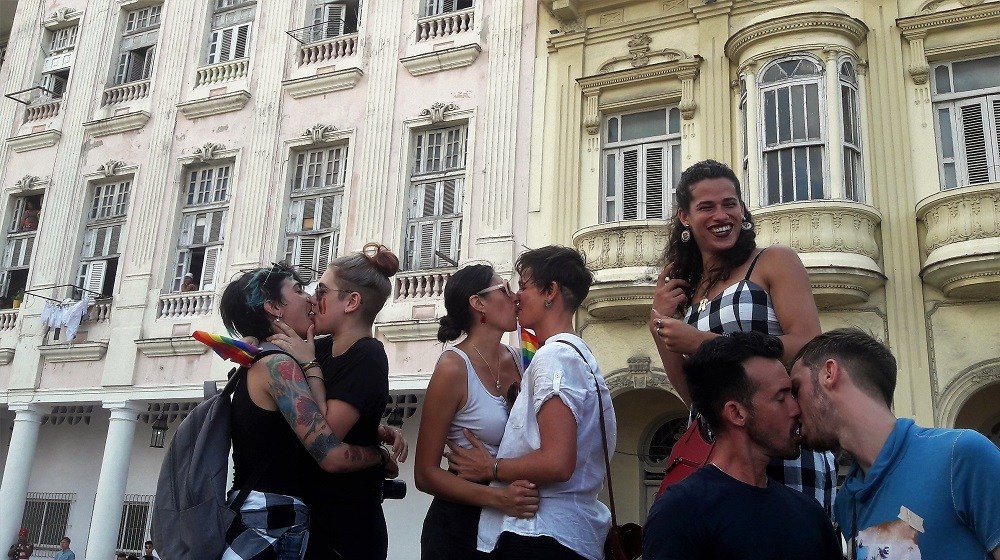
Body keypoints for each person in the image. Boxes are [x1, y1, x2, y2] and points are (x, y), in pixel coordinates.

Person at [649, 158, 836, 515]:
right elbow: (694, 395)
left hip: (785, 442)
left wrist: (703, 343)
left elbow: (809, 345)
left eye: (730, 203)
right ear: (684, 217)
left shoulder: (772, 261)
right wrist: (658, 321)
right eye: (706, 207)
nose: (721, 215)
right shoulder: (686, 290)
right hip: (719, 452)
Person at [447, 246, 615, 560]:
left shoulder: (553, 357)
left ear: (550, 291)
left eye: (523, 286)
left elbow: (557, 462)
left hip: (543, 534)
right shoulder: (578, 355)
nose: (516, 297)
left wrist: (491, 467)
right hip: (570, 532)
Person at [218, 264, 394, 559]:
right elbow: (330, 452)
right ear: (273, 307)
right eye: (300, 290)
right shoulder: (279, 366)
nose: (311, 298)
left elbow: (282, 431)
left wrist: (372, 428)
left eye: (318, 291)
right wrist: (381, 455)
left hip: (268, 518)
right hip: (272, 522)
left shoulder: (266, 356)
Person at [790, 328, 1000, 560]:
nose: (792, 408)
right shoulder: (846, 501)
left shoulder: (961, 455)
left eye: (796, 389)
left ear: (829, 373)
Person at [643, 332, 841, 559]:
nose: (796, 409)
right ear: (736, 413)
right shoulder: (680, 512)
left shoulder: (810, 514)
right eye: (781, 397)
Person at [268, 243, 406, 560]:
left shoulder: (367, 355)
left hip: (348, 529)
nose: (314, 300)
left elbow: (326, 435)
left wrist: (309, 365)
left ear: (352, 301)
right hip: (313, 519)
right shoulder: (321, 346)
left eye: (323, 292)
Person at [415, 264, 540, 559]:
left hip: (509, 521)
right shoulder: (453, 367)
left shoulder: (519, 357)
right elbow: (425, 473)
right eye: (505, 290)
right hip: (459, 526)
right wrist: (499, 497)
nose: (515, 298)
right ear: (478, 302)